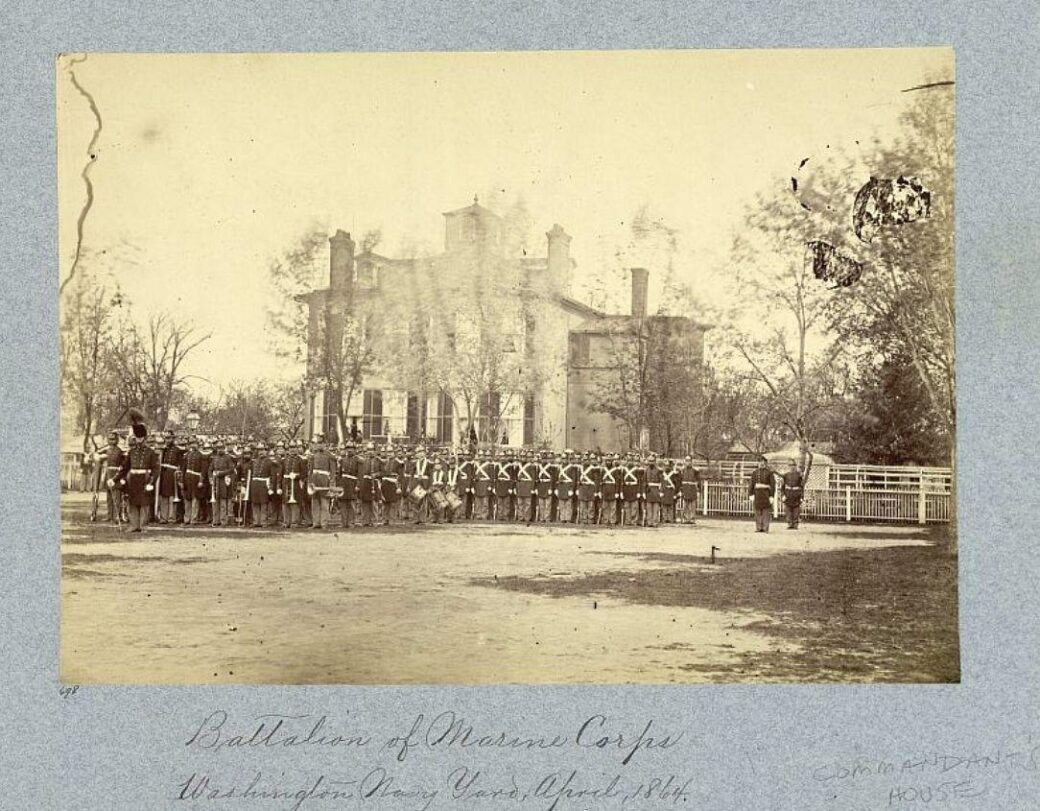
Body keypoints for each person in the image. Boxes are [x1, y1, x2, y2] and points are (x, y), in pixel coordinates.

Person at [118, 432, 157, 532]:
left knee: (144, 503)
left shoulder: (150, 452)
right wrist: (116, 479)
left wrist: (151, 482)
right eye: (137, 438)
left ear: (145, 438)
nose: (139, 440)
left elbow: (156, 469)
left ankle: (143, 526)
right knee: (133, 502)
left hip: (145, 478)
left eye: (141, 438)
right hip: (133, 479)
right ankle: (134, 525)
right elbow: (125, 467)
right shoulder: (131, 452)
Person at [307, 434, 338, 529]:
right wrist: (310, 481)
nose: (319, 445)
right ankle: (316, 523)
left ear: (325, 444)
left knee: (324, 503)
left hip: (324, 480)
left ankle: (324, 523)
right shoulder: (314, 455)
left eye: (321, 443)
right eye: (318, 443)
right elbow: (311, 470)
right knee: (315, 502)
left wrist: (332, 482)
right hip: (315, 480)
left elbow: (333, 471)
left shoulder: (330, 456)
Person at [97, 431, 126, 522]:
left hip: (116, 474)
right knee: (109, 496)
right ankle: (109, 515)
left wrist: (121, 476)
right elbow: (97, 453)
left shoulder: (120, 451)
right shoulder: (107, 450)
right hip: (108, 473)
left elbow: (124, 464)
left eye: (113, 439)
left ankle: (117, 515)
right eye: (110, 439)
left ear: (117, 440)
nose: (111, 441)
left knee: (117, 496)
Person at [209, 440, 237, 527]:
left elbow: (231, 469)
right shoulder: (214, 458)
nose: (219, 449)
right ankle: (216, 520)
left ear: (224, 448)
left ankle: (223, 521)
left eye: (221, 448)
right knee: (215, 502)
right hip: (215, 481)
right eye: (218, 448)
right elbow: (210, 469)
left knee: (223, 502)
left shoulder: (228, 457)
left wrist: (221, 473)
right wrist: (210, 478)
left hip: (224, 482)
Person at [748, 456, 777, 532]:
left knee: (766, 511)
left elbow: (773, 485)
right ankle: (758, 528)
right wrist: (751, 494)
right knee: (757, 511)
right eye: (760, 462)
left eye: (763, 462)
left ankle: (765, 528)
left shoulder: (769, 473)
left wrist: (771, 496)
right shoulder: (755, 473)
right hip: (757, 494)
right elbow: (751, 484)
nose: (761, 463)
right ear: (758, 463)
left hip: (766, 494)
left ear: (765, 463)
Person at [782, 458, 805, 529]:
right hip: (788, 494)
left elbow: (802, 487)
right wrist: (783, 495)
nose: (791, 467)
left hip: (796, 494)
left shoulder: (799, 475)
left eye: (793, 465)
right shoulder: (785, 475)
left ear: (795, 466)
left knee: (796, 510)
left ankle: (795, 524)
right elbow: (782, 486)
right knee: (788, 510)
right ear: (788, 466)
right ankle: (789, 524)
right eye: (790, 465)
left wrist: (802, 496)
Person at [678, 456, 701, 524]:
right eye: (686, 460)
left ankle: (692, 518)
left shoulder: (695, 471)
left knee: (692, 505)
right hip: (685, 489)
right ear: (685, 461)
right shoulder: (682, 470)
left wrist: (699, 490)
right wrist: (679, 490)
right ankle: (685, 518)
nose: (688, 462)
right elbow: (679, 481)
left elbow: (698, 480)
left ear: (691, 461)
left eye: (689, 460)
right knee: (685, 505)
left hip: (692, 489)